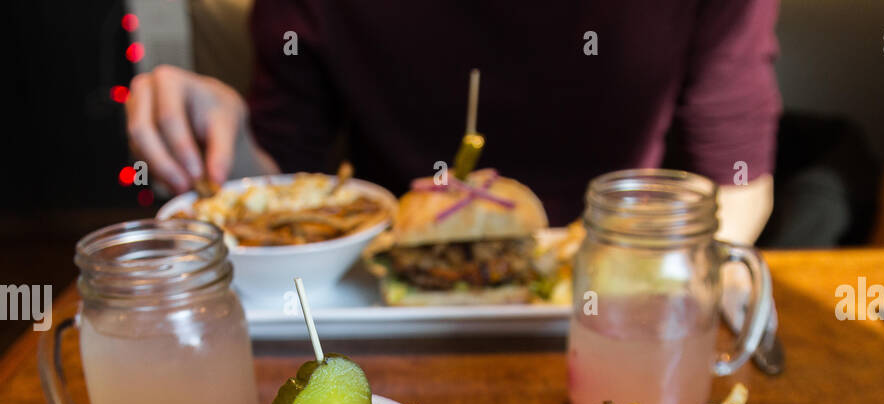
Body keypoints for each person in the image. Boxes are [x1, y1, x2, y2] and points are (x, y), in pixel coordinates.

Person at [126, 0, 780, 242]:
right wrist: (226, 139)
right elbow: (287, 194)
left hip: (616, 281)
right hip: (387, 311)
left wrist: (640, 277)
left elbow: (735, 186)